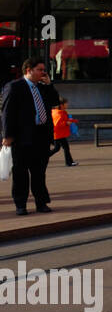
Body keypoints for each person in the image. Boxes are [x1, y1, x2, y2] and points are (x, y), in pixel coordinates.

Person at [1, 57, 60, 216]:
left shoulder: (42, 87)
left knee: (39, 172)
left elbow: (55, 102)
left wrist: (49, 85)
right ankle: (21, 204)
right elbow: (7, 113)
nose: (43, 73)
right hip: (22, 137)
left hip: (41, 136)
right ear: (29, 70)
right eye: (40, 69)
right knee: (21, 172)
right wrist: (7, 135)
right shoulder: (14, 87)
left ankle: (41, 203)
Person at [49, 97, 77, 167]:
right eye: (66, 103)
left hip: (58, 134)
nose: (67, 105)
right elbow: (57, 124)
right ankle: (69, 162)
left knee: (57, 148)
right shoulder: (58, 113)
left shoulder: (59, 112)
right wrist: (66, 123)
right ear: (61, 105)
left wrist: (69, 121)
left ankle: (70, 162)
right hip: (58, 134)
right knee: (65, 147)